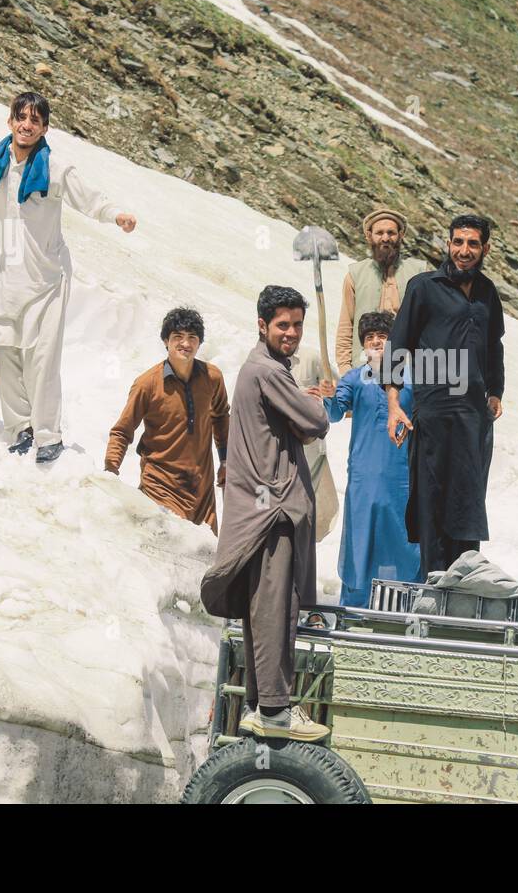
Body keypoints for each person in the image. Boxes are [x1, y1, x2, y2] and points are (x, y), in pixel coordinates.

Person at [0, 91, 137, 463]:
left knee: (42, 357)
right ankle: (18, 427)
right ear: (10, 122)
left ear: (44, 128)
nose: (26, 125)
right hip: (10, 272)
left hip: (48, 277)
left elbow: (91, 199)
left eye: (34, 120)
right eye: (21, 117)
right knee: (6, 351)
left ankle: (48, 435)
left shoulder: (56, 169)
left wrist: (117, 215)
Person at [200, 286, 330, 742]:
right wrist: (311, 405)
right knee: (276, 609)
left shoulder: (268, 370)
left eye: (297, 325)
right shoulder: (267, 371)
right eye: (283, 325)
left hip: (264, 506)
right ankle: (276, 707)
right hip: (273, 509)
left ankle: (260, 703)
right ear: (262, 325)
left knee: (264, 608)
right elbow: (316, 423)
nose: (291, 333)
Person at [384, 214, 505, 578]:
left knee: (468, 504)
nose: (463, 251)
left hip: (473, 416)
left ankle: (464, 587)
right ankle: (433, 589)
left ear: (485, 248)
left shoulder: (488, 292)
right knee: (433, 504)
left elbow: (494, 345)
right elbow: (397, 345)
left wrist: (496, 391)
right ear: (448, 244)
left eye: (471, 244)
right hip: (434, 411)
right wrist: (393, 404)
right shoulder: (424, 287)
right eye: (457, 242)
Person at [319, 311, 420, 606]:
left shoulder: (412, 378)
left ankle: (405, 606)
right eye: (369, 338)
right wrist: (328, 396)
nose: (376, 342)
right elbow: (335, 413)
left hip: (402, 477)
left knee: (402, 540)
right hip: (363, 478)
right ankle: (355, 607)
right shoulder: (355, 377)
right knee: (360, 541)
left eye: (383, 336)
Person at [105, 307, 230, 533]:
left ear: (200, 343)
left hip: (202, 494)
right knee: (163, 559)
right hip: (160, 490)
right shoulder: (147, 384)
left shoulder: (212, 378)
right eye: (178, 337)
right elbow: (122, 431)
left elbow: (221, 417)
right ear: (166, 341)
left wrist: (225, 460)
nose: (186, 343)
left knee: (205, 561)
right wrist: (110, 471)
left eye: (192, 337)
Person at [334, 208, 425, 375]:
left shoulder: (419, 273)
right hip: (364, 367)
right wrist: (345, 368)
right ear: (369, 236)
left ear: (401, 235)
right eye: (379, 233)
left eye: (391, 232)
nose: (385, 238)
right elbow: (346, 325)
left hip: (409, 368)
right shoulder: (355, 275)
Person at [287, 345, 340, 540]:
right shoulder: (262, 361)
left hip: (310, 455)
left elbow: (337, 390)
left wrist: (329, 391)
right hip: (277, 456)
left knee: (310, 519)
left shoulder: (311, 357)